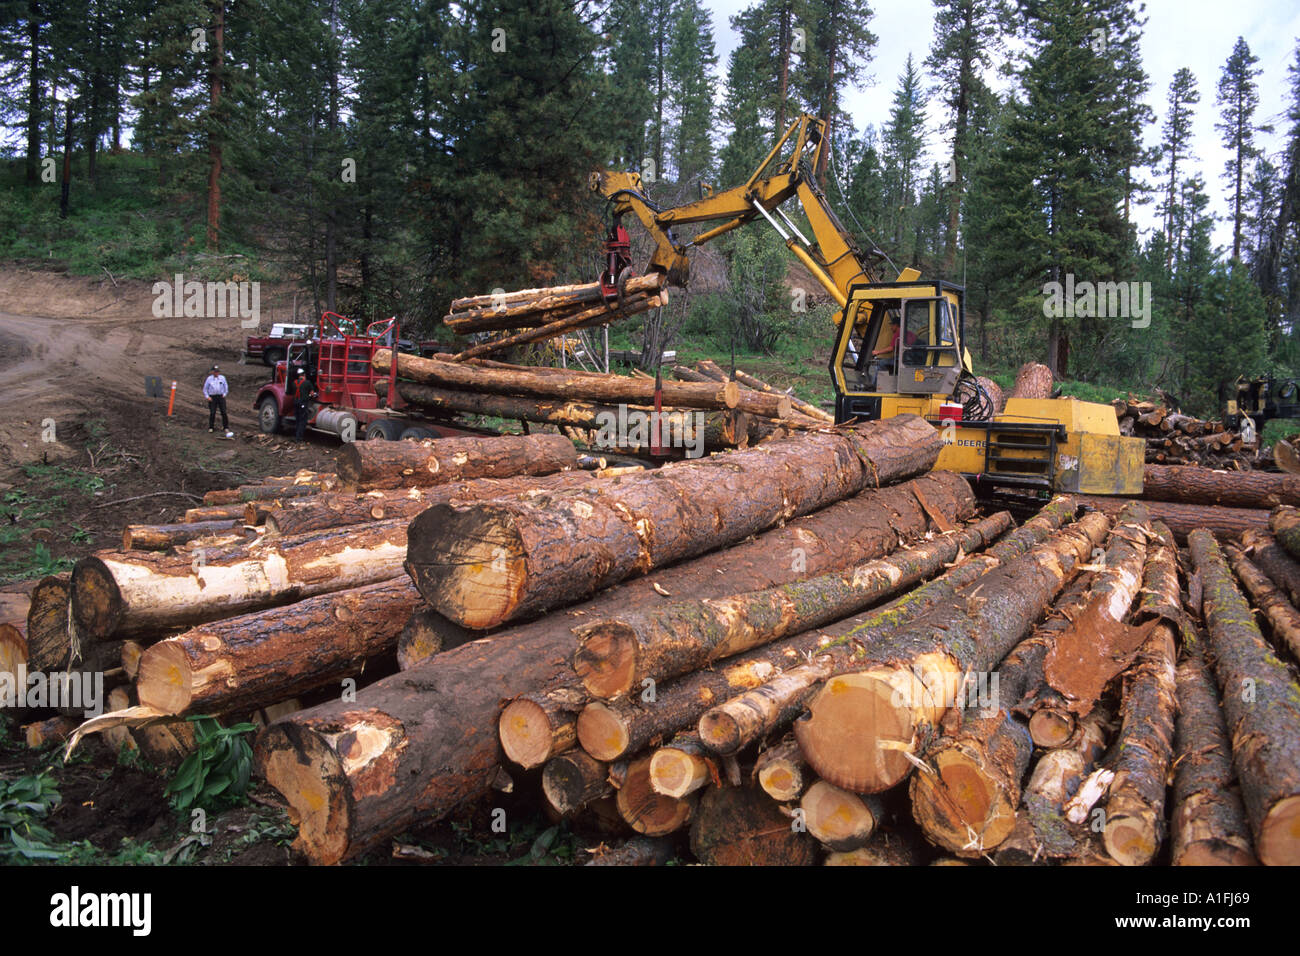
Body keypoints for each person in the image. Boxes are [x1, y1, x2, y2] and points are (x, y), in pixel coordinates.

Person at [204, 365, 233, 437]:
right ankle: (211, 427)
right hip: (212, 397)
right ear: (212, 372)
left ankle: (225, 427)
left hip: (220, 396)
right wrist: (207, 397)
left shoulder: (222, 378)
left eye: (217, 372)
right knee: (212, 412)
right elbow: (205, 388)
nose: (216, 373)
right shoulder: (209, 379)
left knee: (223, 411)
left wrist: (225, 394)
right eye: (215, 372)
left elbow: (226, 386)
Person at [291, 367, 317, 441]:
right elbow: (312, 393)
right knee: (303, 421)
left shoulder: (294, 383)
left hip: (295, 403)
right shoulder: (307, 383)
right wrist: (313, 394)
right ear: (304, 375)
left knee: (297, 419)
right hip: (303, 403)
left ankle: (296, 435)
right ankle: (299, 438)